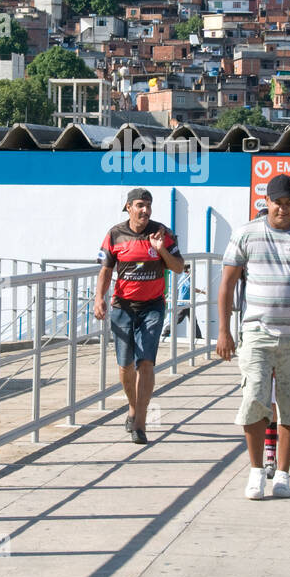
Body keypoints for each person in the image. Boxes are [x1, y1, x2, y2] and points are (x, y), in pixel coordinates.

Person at [218, 174, 290, 500]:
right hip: (256, 331)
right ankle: (256, 471)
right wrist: (224, 331)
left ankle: (282, 473)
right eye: (277, 203)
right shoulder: (245, 235)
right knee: (254, 397)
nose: (282, 209)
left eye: (289, 203)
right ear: (266, 202)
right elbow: (227, 284)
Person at [94, 187, 185, 445]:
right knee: (125, 367)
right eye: (140, 206)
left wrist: (161, 250)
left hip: (152, 307)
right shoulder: (115, 234)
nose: (145, 211)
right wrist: (98, 298)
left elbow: (179, 267)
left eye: (148, 205)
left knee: (146, 362)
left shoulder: (162, 233)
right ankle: (133, 408)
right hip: (122, 307)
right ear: (128, 208)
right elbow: (105, 270)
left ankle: (140, 424)